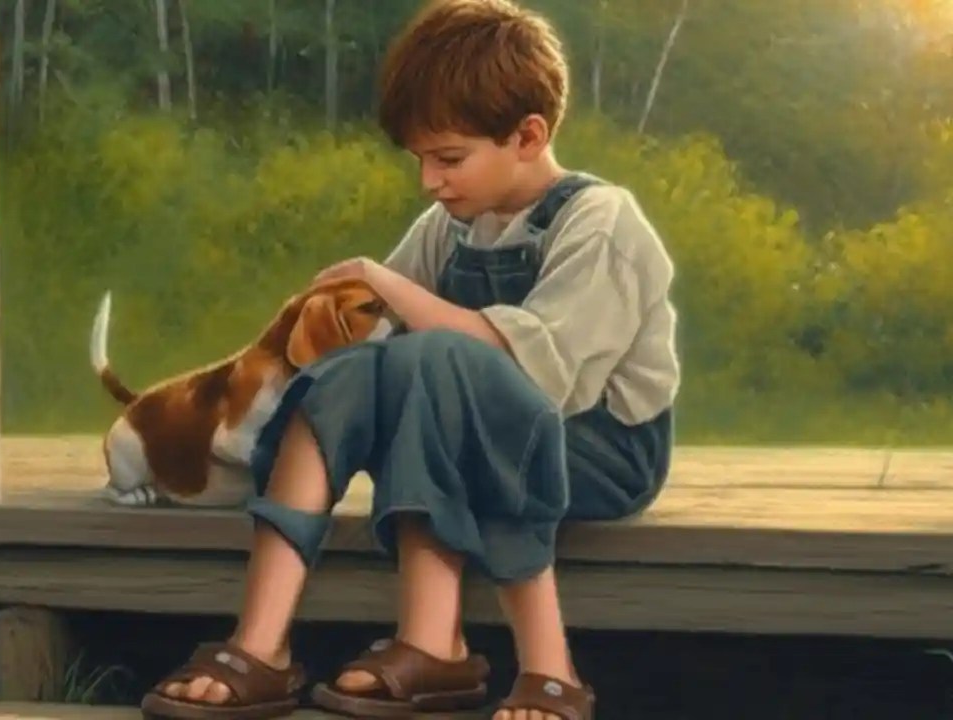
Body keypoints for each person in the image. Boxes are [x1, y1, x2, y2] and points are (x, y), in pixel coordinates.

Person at [139, 0, 679, 718]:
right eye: (421, 159)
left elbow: (535, 375)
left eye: (448, 158)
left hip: (599, 447)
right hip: (478, 428)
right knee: (353, 373)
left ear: (527, 135)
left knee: (438, 361)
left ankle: (448, 646)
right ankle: (261, 644)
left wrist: (385, 283)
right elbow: (379, 346)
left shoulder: (599, 222)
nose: (430, 180)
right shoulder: (450, 227)